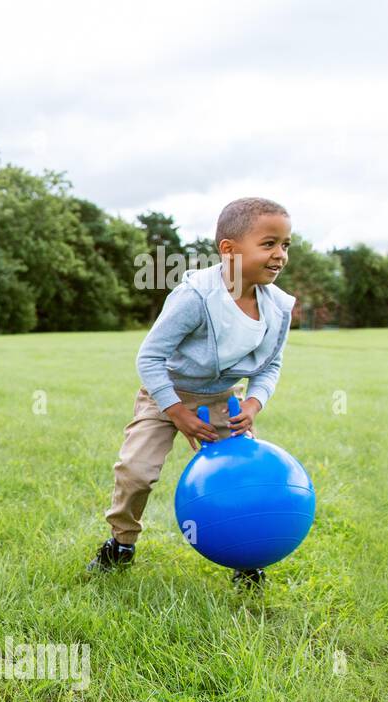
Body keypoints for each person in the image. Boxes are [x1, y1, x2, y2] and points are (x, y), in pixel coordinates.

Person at [87, 197, 296, 587]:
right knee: (136, 472)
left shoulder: (277, 307)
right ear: (229, 250)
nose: (280, 255)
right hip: (166, 393)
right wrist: (176, 411)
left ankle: (247, 556)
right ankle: (121, 543)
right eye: (269, 244)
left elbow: (270, 365)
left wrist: (253, 401)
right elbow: (149, 358)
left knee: (245, 479)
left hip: (223, 399)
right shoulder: (196, 296)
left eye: (286, 245)